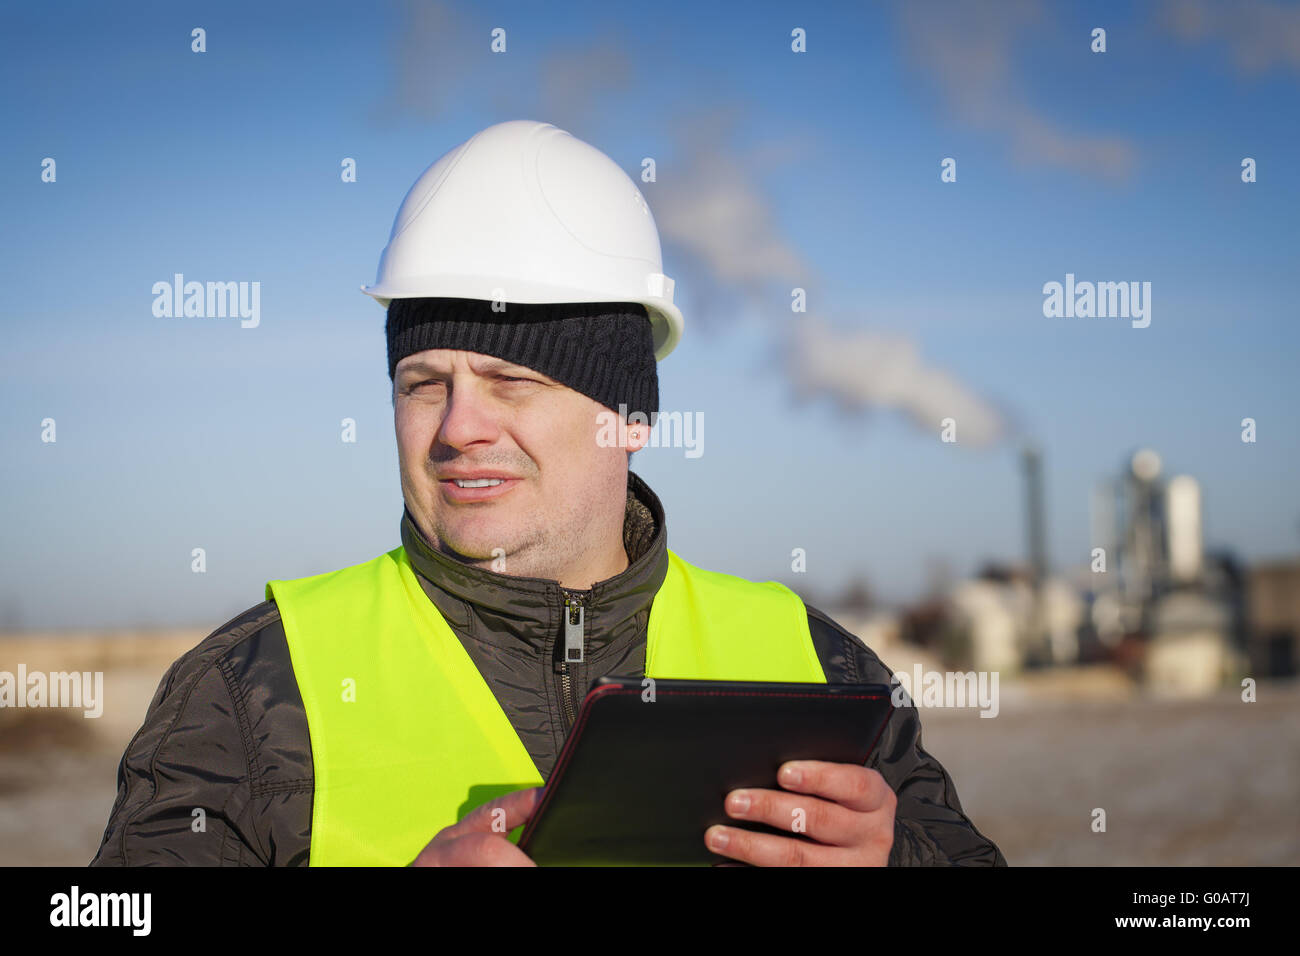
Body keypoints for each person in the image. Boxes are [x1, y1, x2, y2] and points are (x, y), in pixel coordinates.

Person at [90, 120, 1005, 867]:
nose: (456, 428)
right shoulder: (249, 692)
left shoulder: (818, 669)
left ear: (629, 414)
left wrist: (897, 863)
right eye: (422, 382)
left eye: (511, 381)